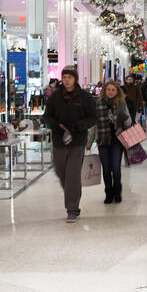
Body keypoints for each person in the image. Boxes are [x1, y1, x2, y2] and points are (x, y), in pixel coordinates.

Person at [42, 65, 97, 222]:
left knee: (72, 175)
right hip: (59, 141)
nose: (66, 80)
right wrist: (55, 125)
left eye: (70, 77)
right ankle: (71, 194)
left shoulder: (85, 98)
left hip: (77, 141)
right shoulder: (54, 97)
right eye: (64, 77)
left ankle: (72, 209)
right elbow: (47, 116)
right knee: (62, 174)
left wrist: (78, 126)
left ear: (75, 79)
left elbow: (93, 117)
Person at [97, 80, 134, 204]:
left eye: (113, 90)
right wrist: (89, 141)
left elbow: (128, 121)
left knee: (116, 169)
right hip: (103, 140)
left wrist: (124, 118)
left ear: (117, 91)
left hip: (117, 141)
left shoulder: (121, 103)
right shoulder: (98, 104)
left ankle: (117, 191)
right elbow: (93, 124)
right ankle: (108, 193)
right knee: (106, 169)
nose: (110, 92)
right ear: (104, 91)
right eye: (108, 90)